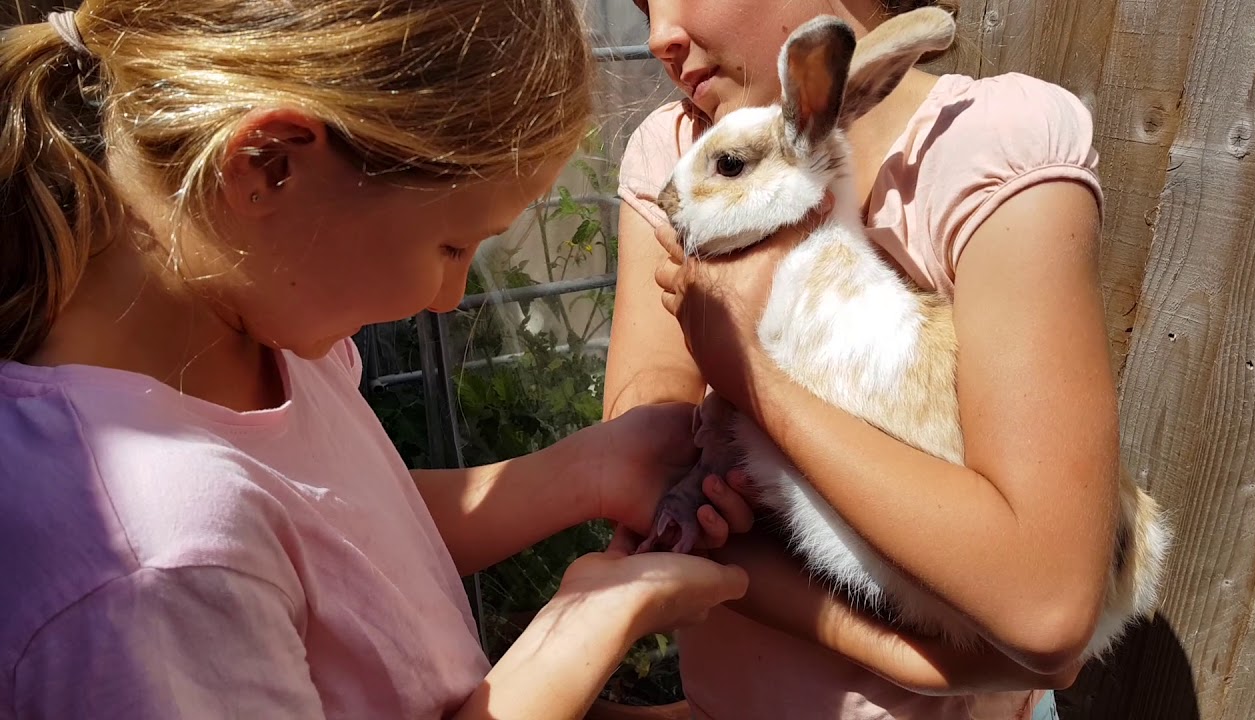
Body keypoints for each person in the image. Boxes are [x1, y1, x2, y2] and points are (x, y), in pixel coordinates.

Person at [0, 2, 759, 718]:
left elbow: (341, 534)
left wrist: (588, 471)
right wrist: (587, 626)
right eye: (452, 246)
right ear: (268, 165)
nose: (451, 295)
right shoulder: (152, 571)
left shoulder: (258, 325)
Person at [604, 1, 1119, 718]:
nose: (660, 33)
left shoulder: (983, 148)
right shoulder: (677, 154)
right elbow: (644, 475)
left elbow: (1042, 607)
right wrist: (913, 658)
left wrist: (750, 380)